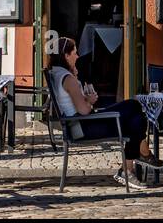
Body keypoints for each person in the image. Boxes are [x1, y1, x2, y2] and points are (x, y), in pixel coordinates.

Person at [48, 37, 154, 188]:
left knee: (137, 120)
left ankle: (129, 167)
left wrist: (79, 84)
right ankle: (142, 154)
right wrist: (90, 100)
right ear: (66, 55)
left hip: (78, 125)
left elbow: (71, 102)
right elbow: (84, 110)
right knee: (134, 105)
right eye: (75, 53)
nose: (77, 56)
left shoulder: (57, 73)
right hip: (84, 128)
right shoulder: (67, 78)